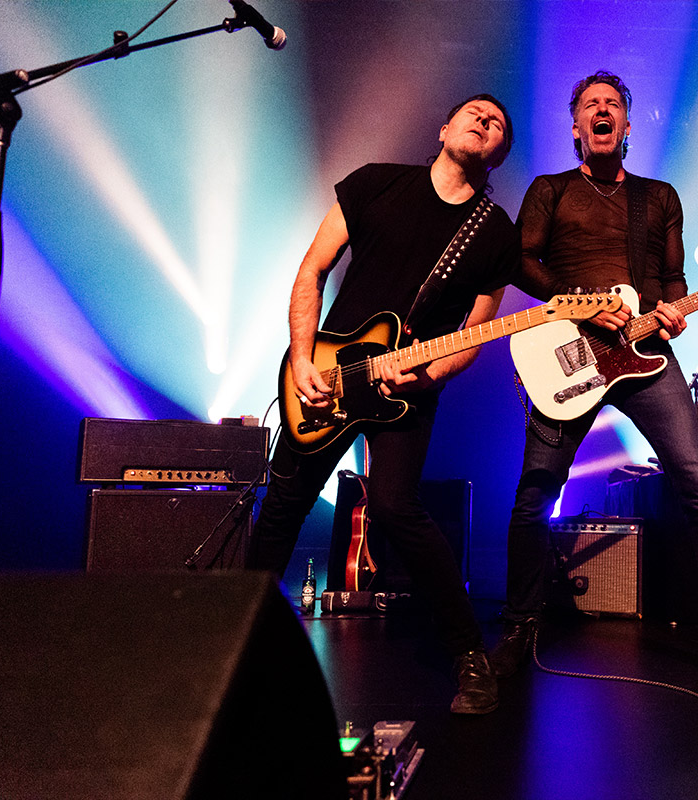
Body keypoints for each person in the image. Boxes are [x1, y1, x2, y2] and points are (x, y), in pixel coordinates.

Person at [250, 94, 520, 715]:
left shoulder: (495, 233)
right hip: (328, 375)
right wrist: (301, 359)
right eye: (475, 113)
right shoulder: (375, 184)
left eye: (497, 124)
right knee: (284, 504)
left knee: (398, 508)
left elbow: (475, 335)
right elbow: (312, 270)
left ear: (499, 154)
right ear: (444, 128)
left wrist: (428, 375)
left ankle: (469, 655)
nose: (485, 120)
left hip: (407, 389)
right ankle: (238, 640)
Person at [491, 71, 698, 690]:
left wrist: (674, 311)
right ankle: (520, 625)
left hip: (646, 355)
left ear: (627, 126)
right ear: (576, 128)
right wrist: (581, 304)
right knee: (534, 495)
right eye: (591, 105)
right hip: (570, 354)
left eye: (613, 104)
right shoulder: (551, 189)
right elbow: (519, 261)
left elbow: (674, 278)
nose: (602, 110)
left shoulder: (658, 197)